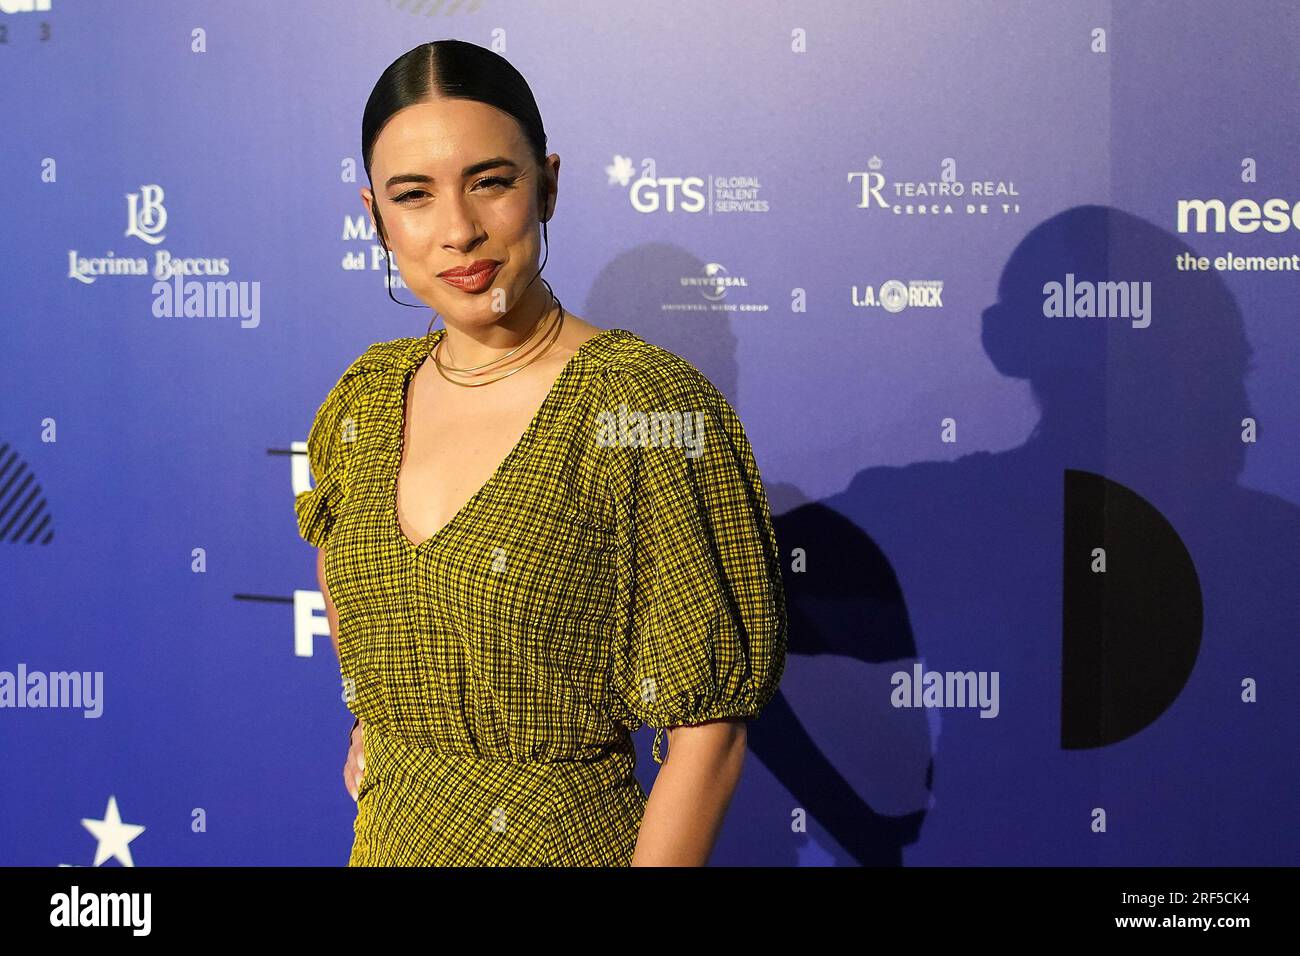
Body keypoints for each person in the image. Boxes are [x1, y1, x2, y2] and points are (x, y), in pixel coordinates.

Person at [296, 39, 787, 866]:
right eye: (413, 196)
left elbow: (707, 735)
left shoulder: (642, 405)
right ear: (374, 215)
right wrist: (377, 718)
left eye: (492, 182)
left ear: (547, 185)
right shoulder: (364, 398)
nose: (458, 230)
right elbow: (340, 557)